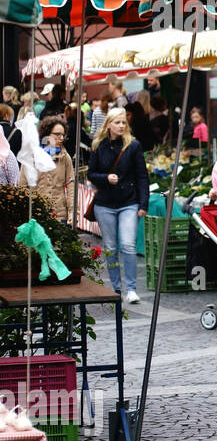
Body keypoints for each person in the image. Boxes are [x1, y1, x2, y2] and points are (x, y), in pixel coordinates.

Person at [87, 108, 149, 303]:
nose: (121, 126)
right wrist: (106, 178)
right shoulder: (98, 145)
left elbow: (142, 176)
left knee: (129, 245)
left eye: (124, 122)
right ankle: (116, 288)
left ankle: (131, 288)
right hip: (105, 203)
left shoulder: (133, 146)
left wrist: (143, 204)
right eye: (117, 122)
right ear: (109, 125)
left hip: (128, 201)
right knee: (111, 247)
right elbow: (91, 174)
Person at [25, 115, 74, 222]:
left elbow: (71, 185)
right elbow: (23, 186)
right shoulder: (31, 156)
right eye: (57, 134)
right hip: (36, 215)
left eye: (63, 135)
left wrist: (73, 211)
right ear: (46, 133)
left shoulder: (65, 157)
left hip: (59, 215)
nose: (61, 138)